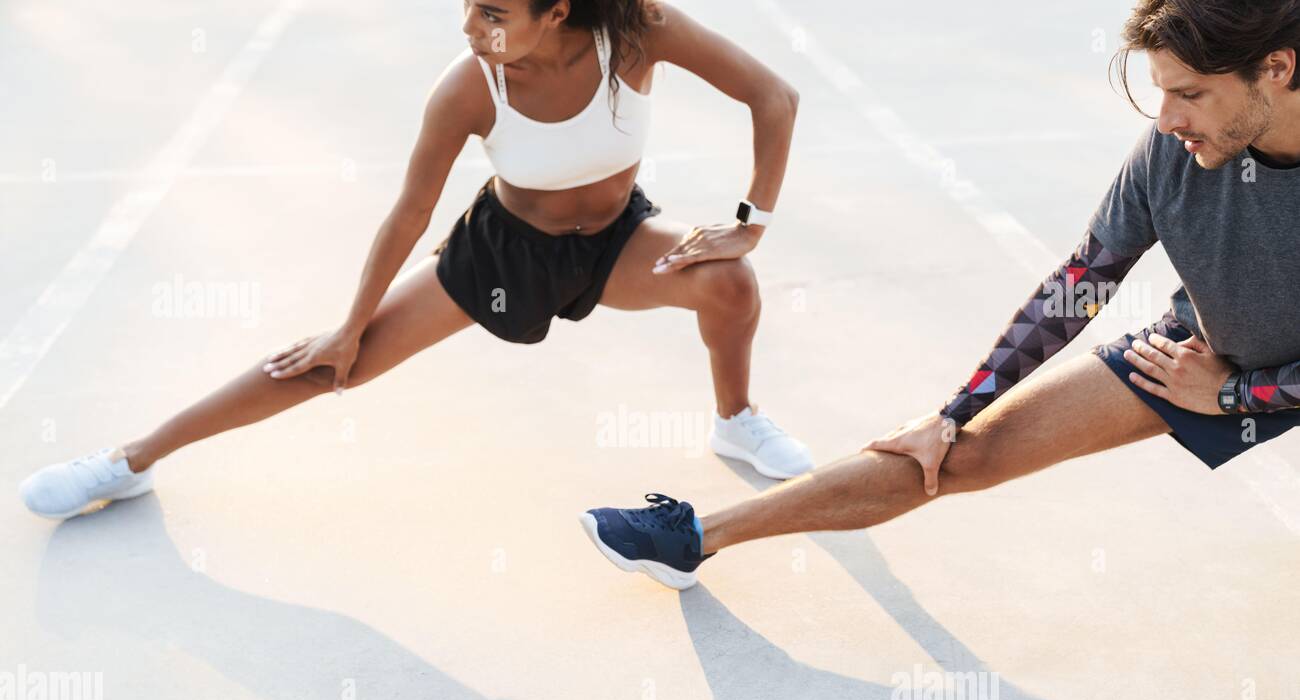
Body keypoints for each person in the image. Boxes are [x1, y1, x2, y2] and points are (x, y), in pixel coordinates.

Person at [582, 0, 1300, 590]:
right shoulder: (1172, 149)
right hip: (1202, 359)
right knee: (954, 453)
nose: (1167, 117)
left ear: (1276, 68)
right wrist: (954, 412)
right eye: (1164, 92)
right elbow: (1081, 284)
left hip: (1236, 382)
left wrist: (1234, 398)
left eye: (1190, 93)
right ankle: (697, 537)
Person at [20, 0, 812, 521]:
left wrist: (752, 224)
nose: (470, 25)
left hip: (614, 243)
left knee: (730, 282)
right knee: (339, 363)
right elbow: (410, 213)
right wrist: (348, 325)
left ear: (557, 12)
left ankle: (735, 422)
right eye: (468, 3)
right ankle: (129, 459)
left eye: (494, 13)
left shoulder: (636, 32)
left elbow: (773, 96)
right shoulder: (469, 87)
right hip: (504, 255)